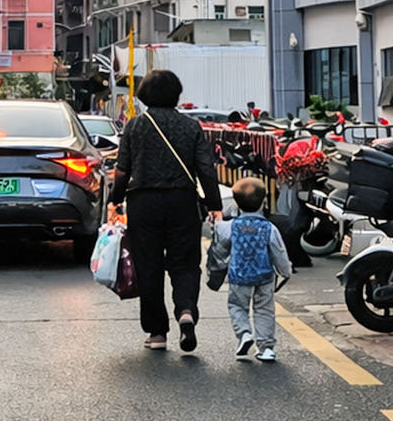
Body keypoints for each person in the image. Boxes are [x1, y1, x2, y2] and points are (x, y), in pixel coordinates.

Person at [106, 69, 222, 352]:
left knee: (149, 266)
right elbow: (206, 170)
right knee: (185, 262)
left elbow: (123, 170)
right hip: (182, 201)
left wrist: (115, 200)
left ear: (144, 94)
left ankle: (157, 332)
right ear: (176, 94)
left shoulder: (135, 126)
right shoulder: (190, 127)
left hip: (143, 204)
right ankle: (185, 311)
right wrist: (215, 205)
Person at [206, 177, 292, 362]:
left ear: (236, 203)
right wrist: (285, 271)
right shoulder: (269, 228)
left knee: (237, 306)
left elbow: (220, 237)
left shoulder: (232, 226)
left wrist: (217, 220)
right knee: (264, 310)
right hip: (265, 276)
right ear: (263, 201)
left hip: (239, 275)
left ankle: (244, 334)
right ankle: (266, 347)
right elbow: (279, 251)